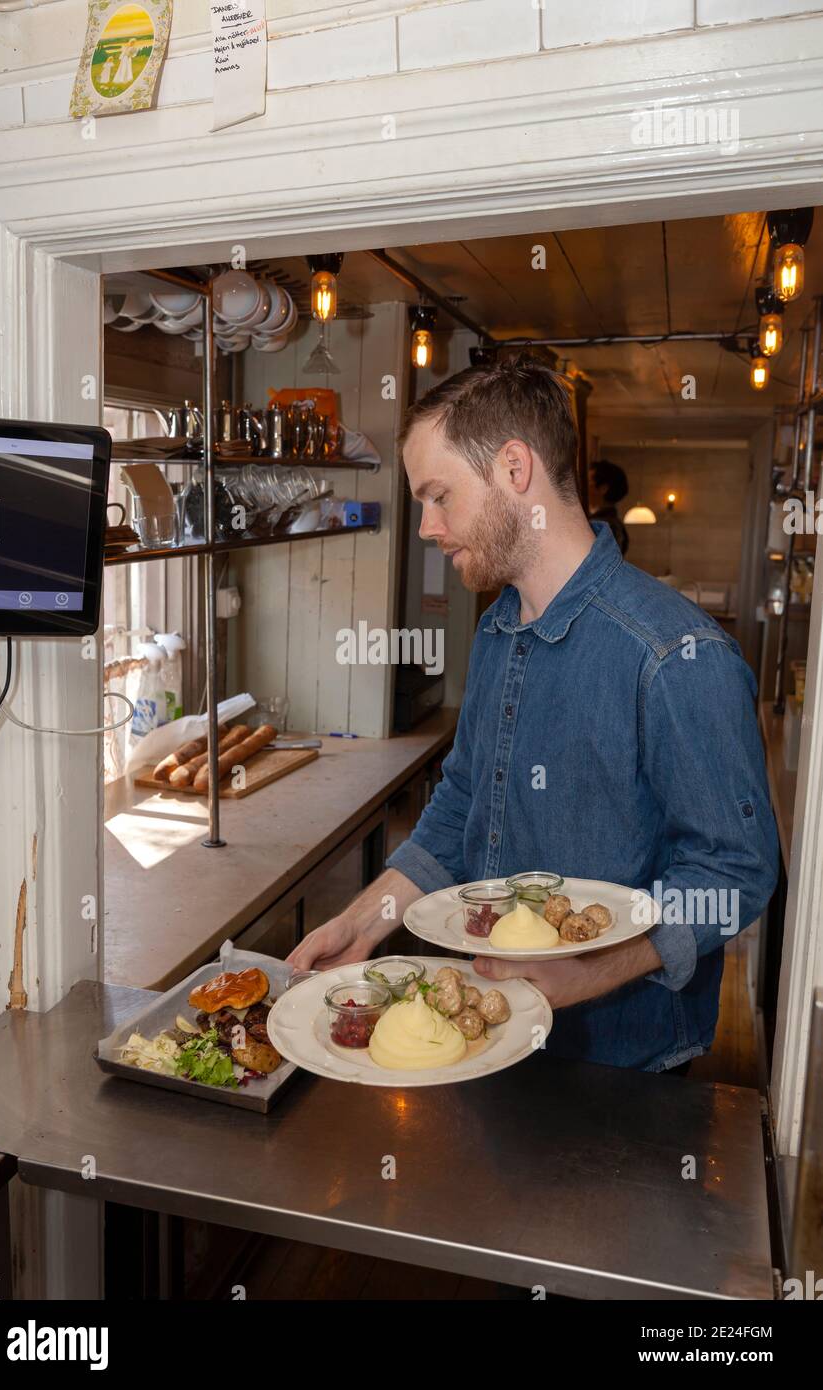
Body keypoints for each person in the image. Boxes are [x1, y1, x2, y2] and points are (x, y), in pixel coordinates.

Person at [288, 355, 779, 1073]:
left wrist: (590, 972)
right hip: (492, 1041)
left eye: (439, 496)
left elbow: (736, 873)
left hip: (620, 1070)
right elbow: (462, 805)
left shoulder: (673, 653)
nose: (427, 527)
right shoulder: (497, 629)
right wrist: (364, 921)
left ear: (515, 470)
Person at [588, 458, 629, 555]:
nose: (581, 485)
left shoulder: (606, 526)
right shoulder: (606, 522)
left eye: (588, 481)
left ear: (603, 489)